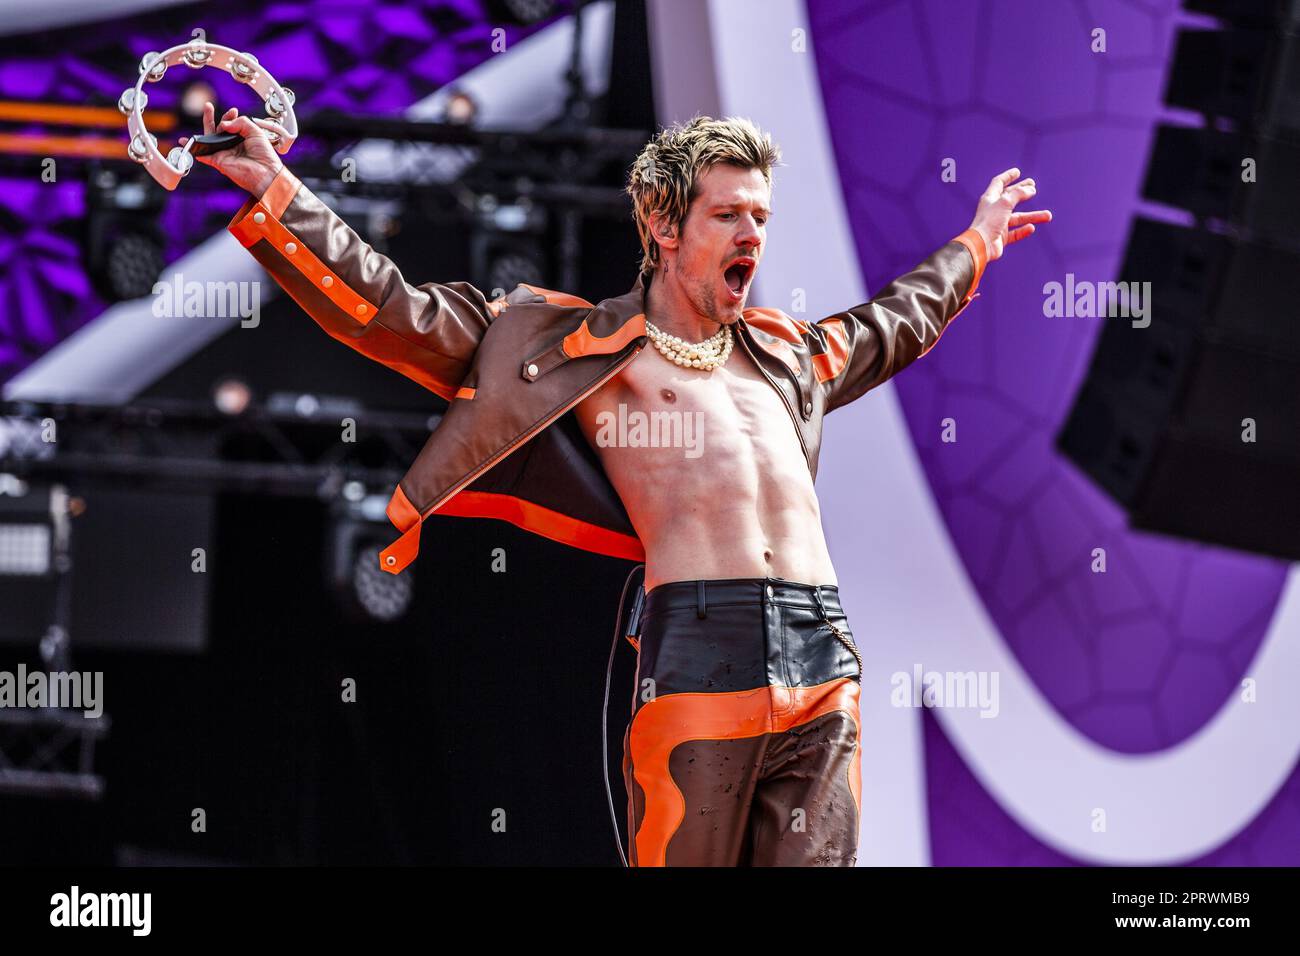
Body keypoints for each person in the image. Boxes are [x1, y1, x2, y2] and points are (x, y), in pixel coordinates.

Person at [189, 105, 1050, 866]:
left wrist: (974, 245)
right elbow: (390, 311)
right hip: (699, 648)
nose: (751, 234)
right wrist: (279, 196)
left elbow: (890, 323)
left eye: (761, 216)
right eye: (727, 215)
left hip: (823, 651)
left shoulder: (789, 353)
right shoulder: (581, 350)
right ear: (663, 223)